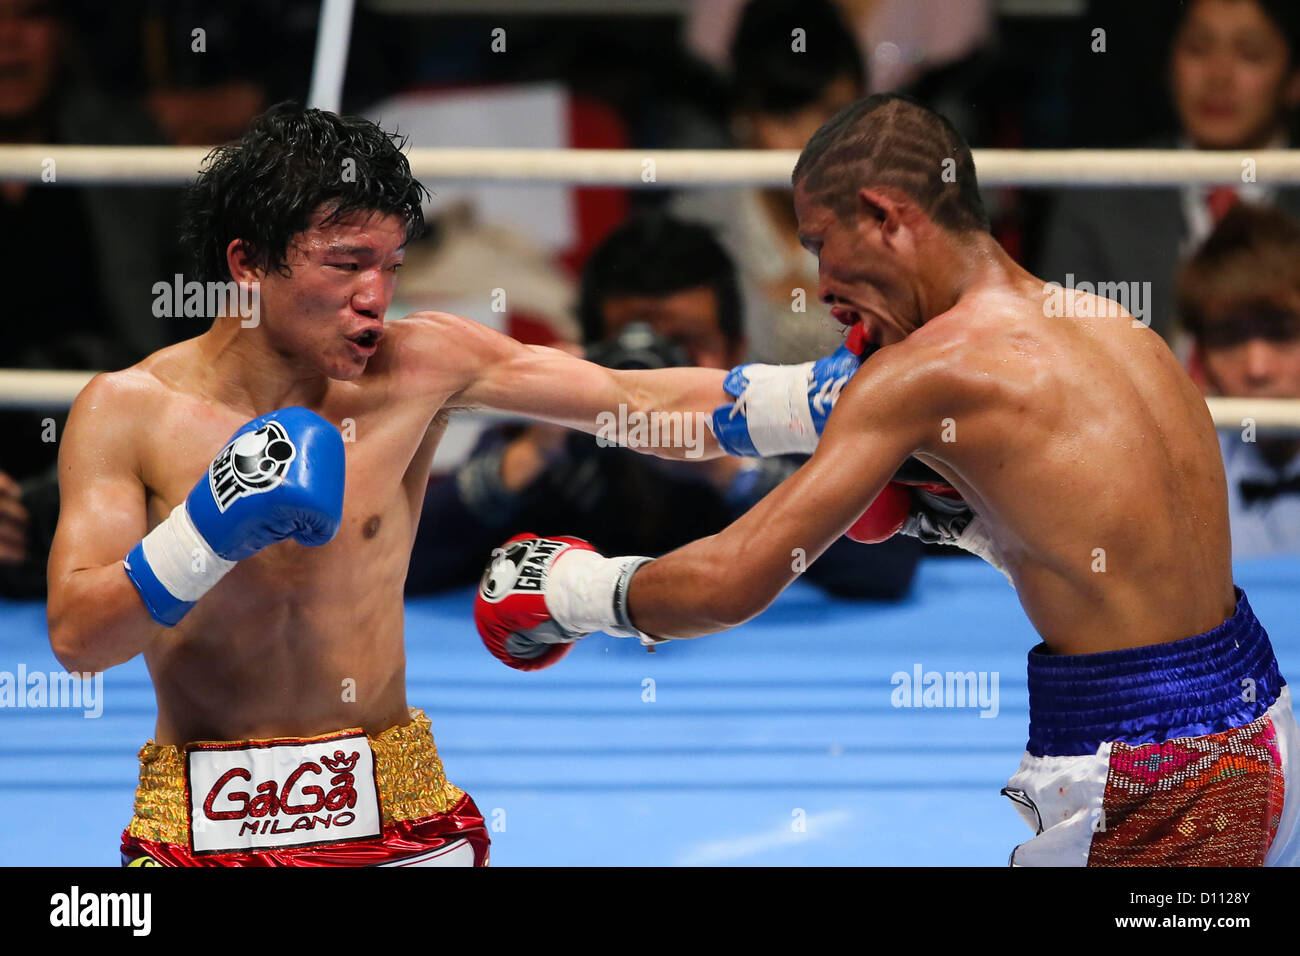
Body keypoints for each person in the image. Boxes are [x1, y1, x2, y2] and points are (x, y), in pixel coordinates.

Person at [475, 93, 1300, 866]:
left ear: (883, 216)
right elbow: (713, 403)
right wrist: (492, 376)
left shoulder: (921, 377)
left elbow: (728, 581)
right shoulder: (1111, 329)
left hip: (1159, 773)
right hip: (1261, 713)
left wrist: (571, 592)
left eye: (820, 243)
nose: (820, 283)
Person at [47, 102, 864, 866]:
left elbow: (632, 402)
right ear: (247, 264)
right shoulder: (130, 412)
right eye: (346, 264)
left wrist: (818, 401)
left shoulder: (420, 365)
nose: (375, 298)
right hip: (205, 816)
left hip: (393, 806)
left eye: (392, 266)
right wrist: (205, 533)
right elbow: (81, 641)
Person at [408, 214, 921, 600]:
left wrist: (732, 469)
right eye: (629, 349)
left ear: (736, 352)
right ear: (584, 353)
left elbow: (889, 567)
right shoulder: (546, 444)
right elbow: (407, 564)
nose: (659, 376)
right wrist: (529, 459)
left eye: (684, 345)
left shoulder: (781, 434)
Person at [1038, 0, 1300, 342]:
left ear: (1294, 79)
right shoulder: (1099, 193)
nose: (1218, 76)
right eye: (1197, 48)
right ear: (1168, 61)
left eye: (1249, 53)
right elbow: (1064, 352)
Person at [672, 0, 867, 364]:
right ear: (743, 117)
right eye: (787, 116)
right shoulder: (688, 228)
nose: (814, 139)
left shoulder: (899, 225)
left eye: (834, 113)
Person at [1178, 203, 1300, 557]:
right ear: (1200, 357)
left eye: (1281, 334)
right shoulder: (1173, 485)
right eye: (1229, 338)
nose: (1257, 369)